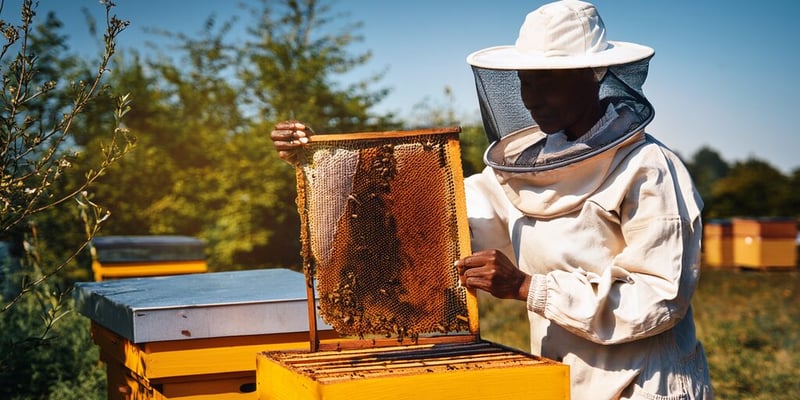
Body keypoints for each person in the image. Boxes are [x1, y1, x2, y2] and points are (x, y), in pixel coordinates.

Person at [271, 1, 712, 399]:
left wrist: (526, 287)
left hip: (645, 383)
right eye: (526, 83)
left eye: (549, 83)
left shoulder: (649, 169)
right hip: (559, 379)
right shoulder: (522, 170)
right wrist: (322, 162)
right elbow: (424, 217)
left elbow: (659, 299)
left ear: (591, 76)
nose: (532, 99)